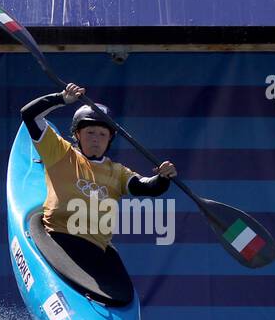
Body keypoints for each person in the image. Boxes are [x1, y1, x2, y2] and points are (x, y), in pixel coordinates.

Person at [21, 83, 177, 256]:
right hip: (59, 241)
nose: (96, 139)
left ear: (110, 139)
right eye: (90, 133)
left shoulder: (118, 172)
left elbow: (148, 186)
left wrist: (163, 177)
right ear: (77, 135)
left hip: (96, 251)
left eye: (102, 134)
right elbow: (29, 114)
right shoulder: (59, 152)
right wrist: (62, 98)